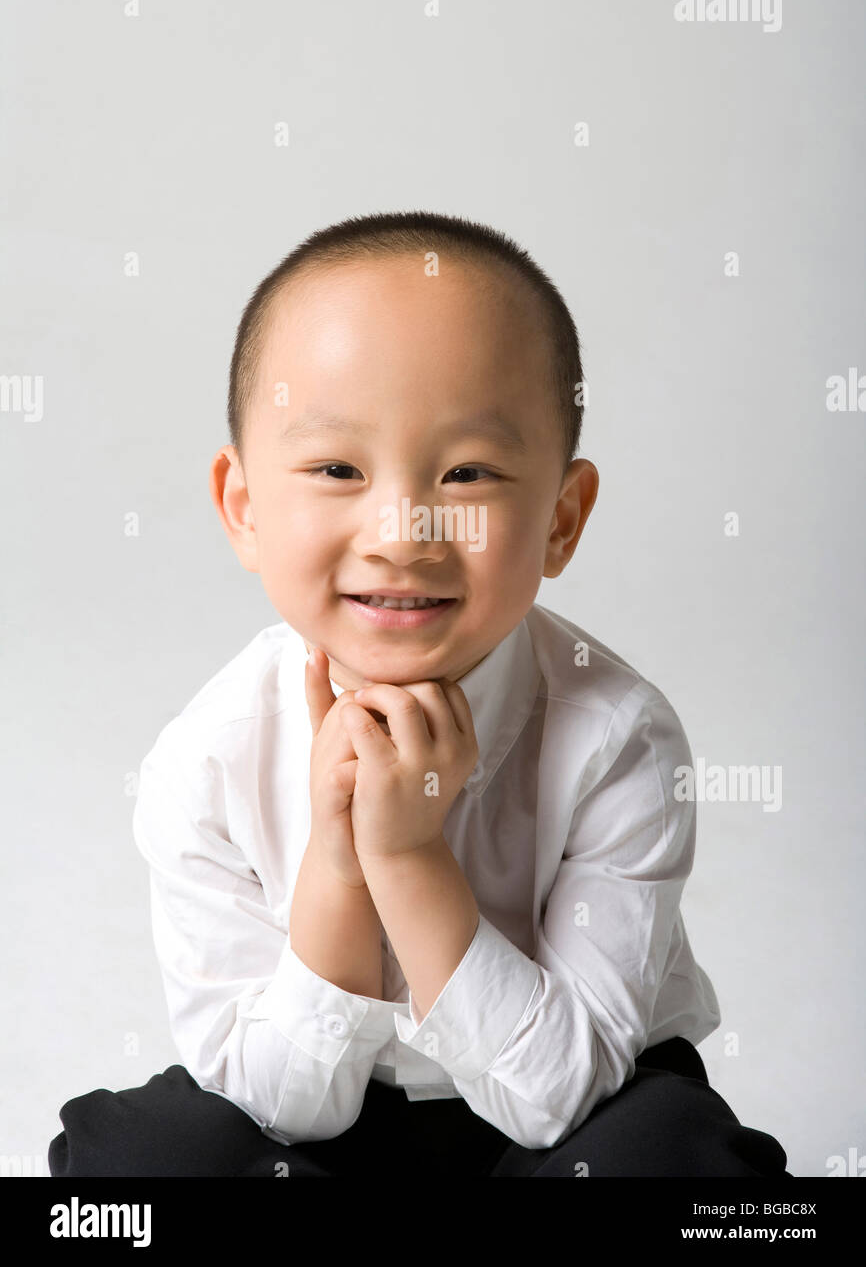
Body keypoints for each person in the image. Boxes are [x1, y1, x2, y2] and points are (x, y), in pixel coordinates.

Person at [49, 211, 793, 1177]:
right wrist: (340, 864)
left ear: (562, 518)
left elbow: (560, 1093)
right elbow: (272, 1101)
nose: (402, 531)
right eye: (336, 469)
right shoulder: (210, 754)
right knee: (135, 1165)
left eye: (469, 472)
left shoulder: (617, 738)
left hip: (566, 1122)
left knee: (677, 1163)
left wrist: (404, 856)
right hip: (317, 1131)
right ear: (243, 508)